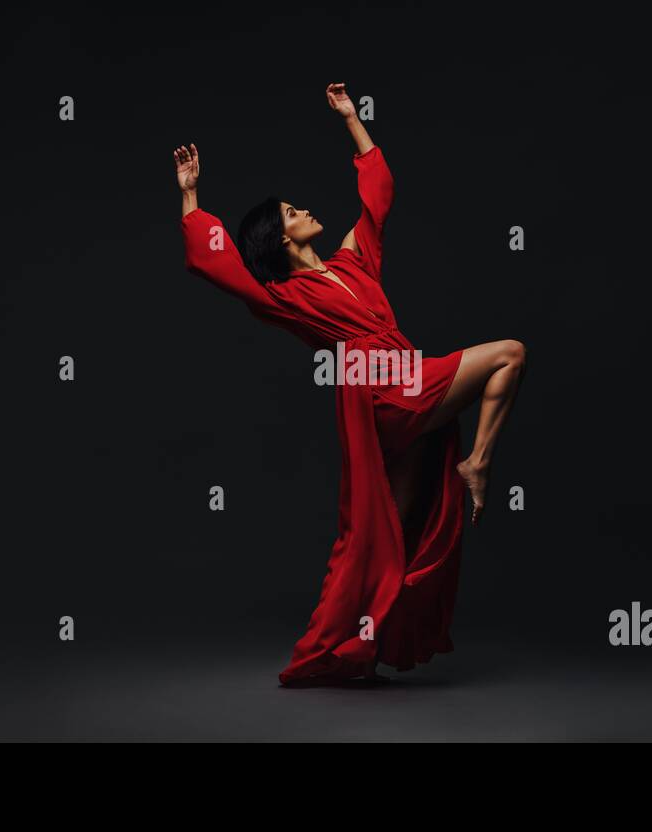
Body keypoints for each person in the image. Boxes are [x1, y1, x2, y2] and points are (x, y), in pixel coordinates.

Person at [175, 82, 526, 686]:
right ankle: (480, 464)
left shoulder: (352, 261)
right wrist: (190, 198)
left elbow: (378, 199)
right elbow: (216, 263)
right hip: (384, 390)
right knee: (510, 355)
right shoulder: (283, 297)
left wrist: (352, 119)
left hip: (397, 379)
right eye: (292, 212)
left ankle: (347, 653)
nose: (305, 210)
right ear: (283, 238)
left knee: (387, 525)